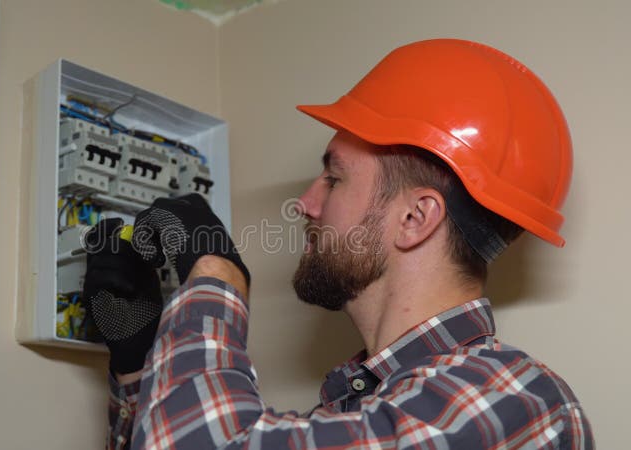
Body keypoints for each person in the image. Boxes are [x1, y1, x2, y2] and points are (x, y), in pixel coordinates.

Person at [83, 39, 595, 449]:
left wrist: (216, 272)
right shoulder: (362, 411)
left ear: (416, 218)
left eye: (334, 178)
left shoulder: (515, 406)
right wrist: (137, 366)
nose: (306, 202)